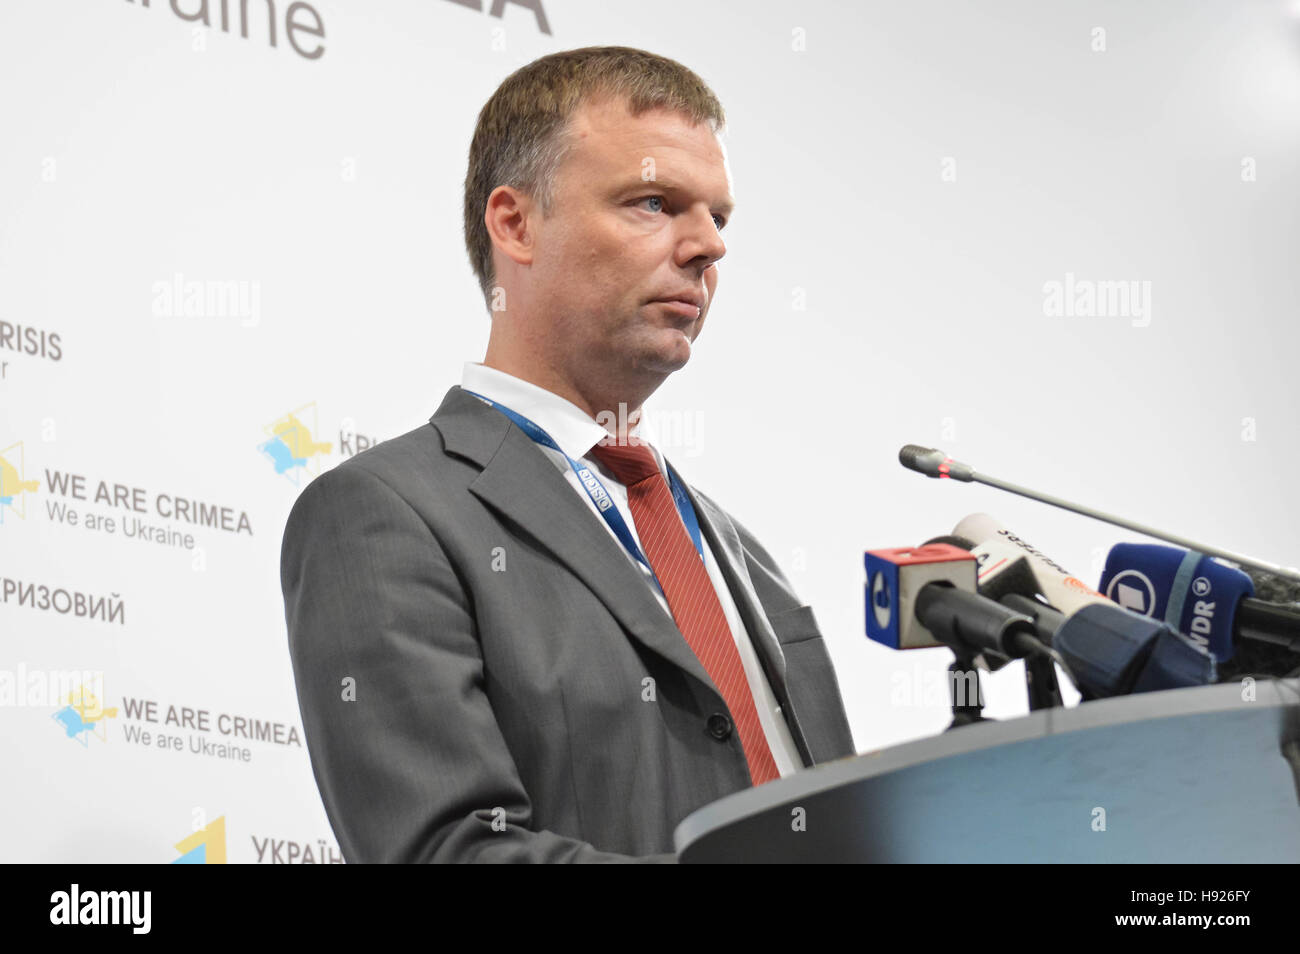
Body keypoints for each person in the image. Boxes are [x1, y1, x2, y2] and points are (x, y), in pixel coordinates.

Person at [280, 46, 856, 863]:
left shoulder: (747, 561)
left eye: (718, 217)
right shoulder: (388, 513)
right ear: (515, 222)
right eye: (654, 203)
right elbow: (447, 851)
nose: (707, 247)